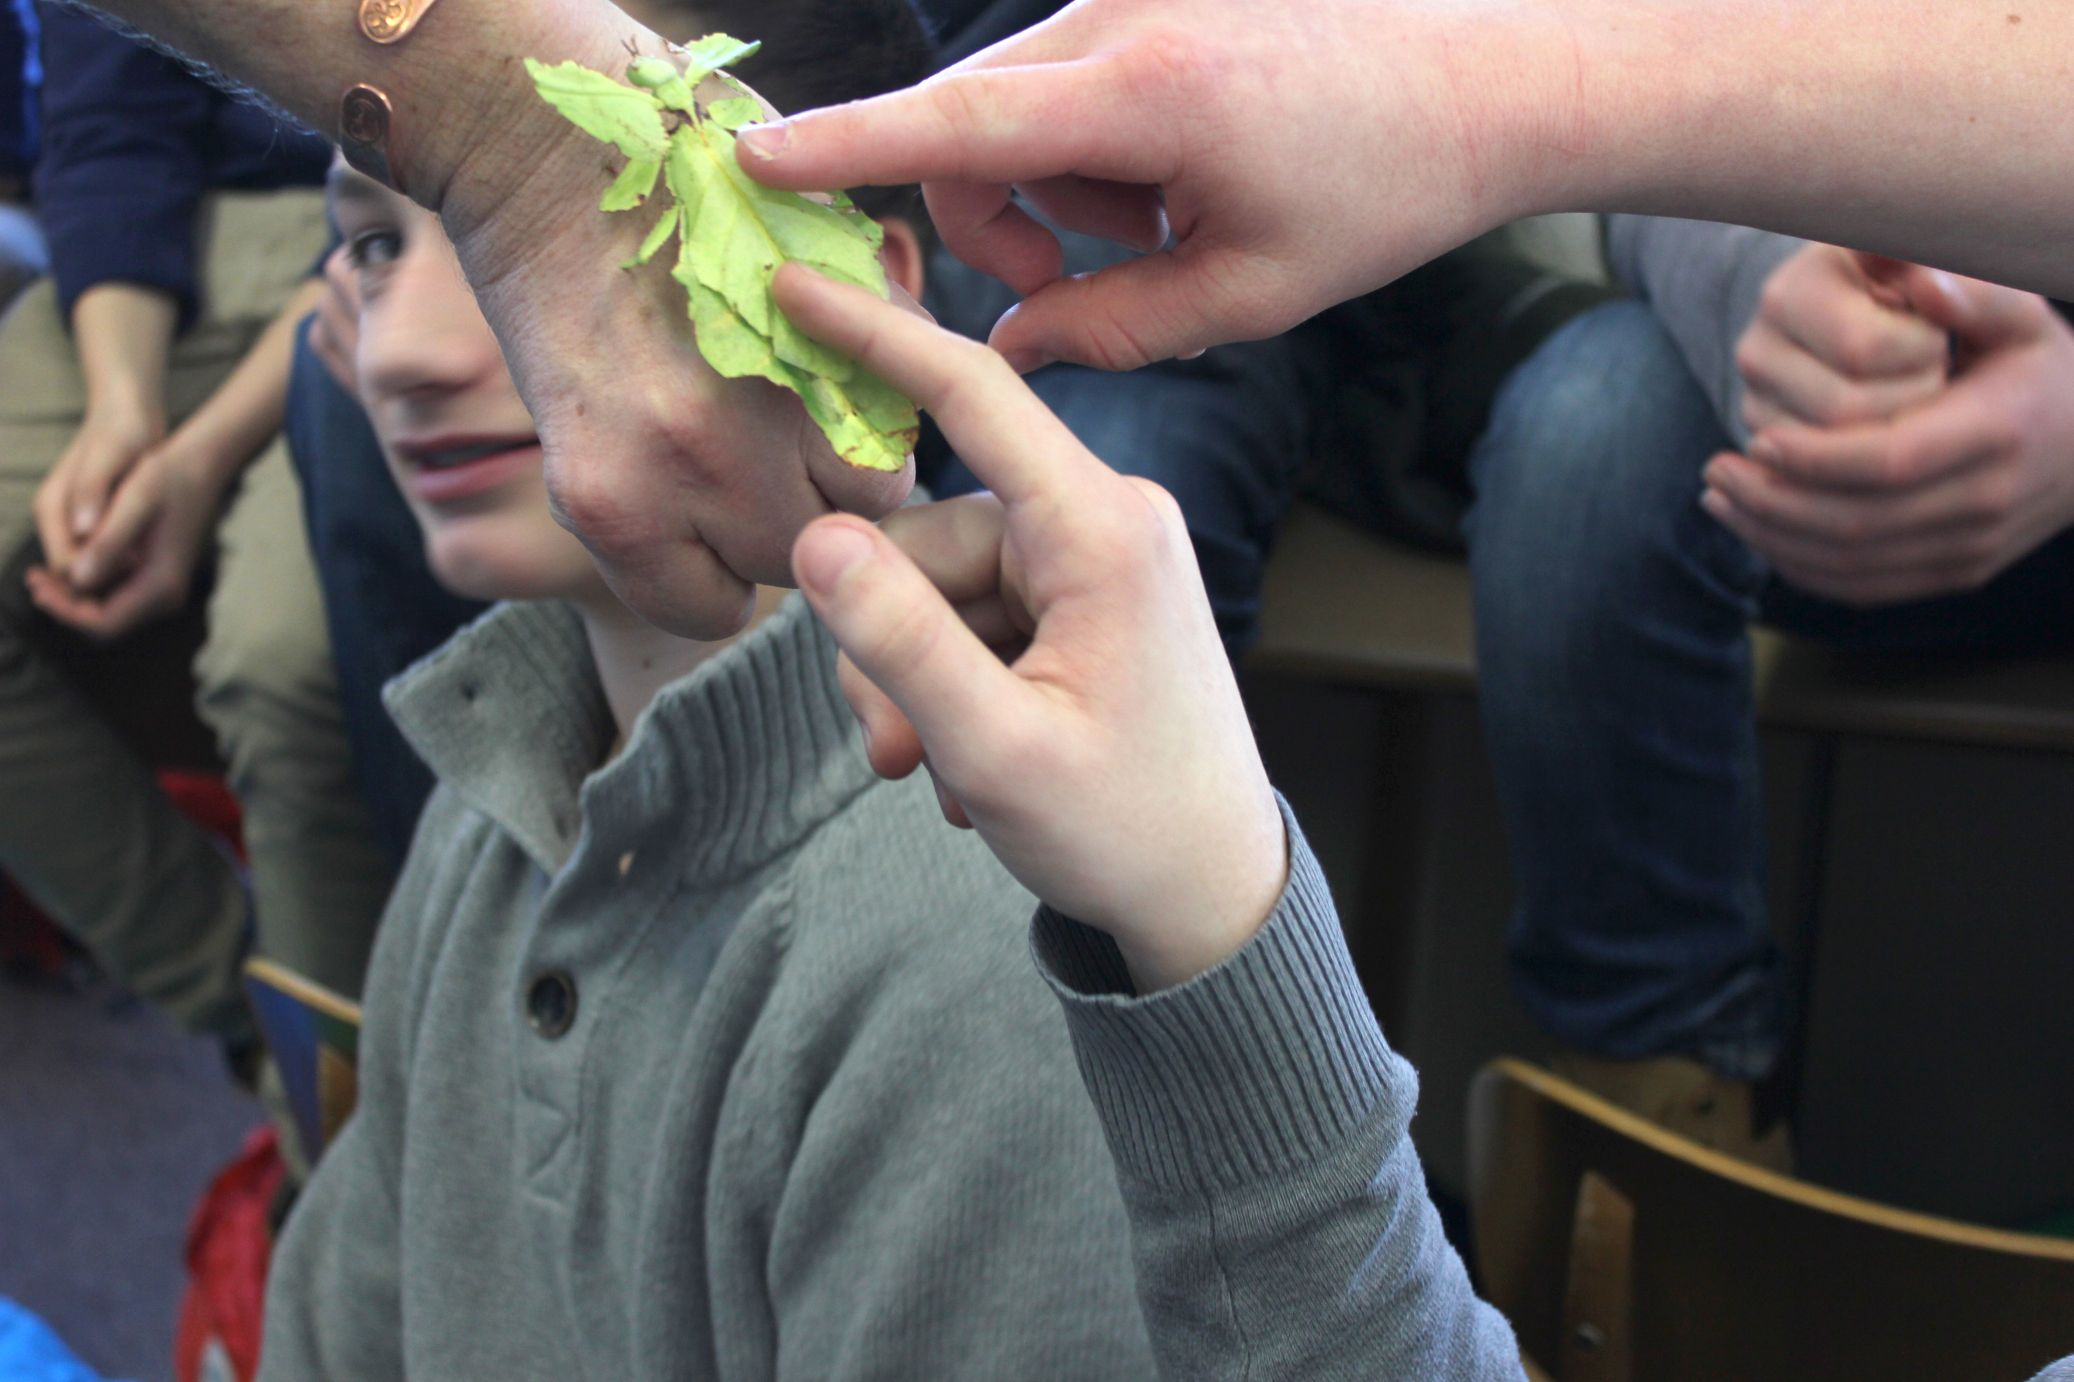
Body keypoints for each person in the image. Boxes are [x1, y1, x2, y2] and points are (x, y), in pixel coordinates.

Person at [260, 8, 1167, 1374]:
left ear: (861, 295)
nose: (401, 354)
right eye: (379, 247)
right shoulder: (489, 806)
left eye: (562, 223)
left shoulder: (972, 952)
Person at [1464, 225, 2074, 1162]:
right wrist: (1774, 297)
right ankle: (1660, 1157)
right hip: (1834, 396)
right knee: (1594, 423)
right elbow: (1642, 151)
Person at [0, 7, 387, 1041]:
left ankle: (336, 1072)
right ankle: (267, 1032)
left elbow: (428, 157)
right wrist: (122, 407)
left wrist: (197, 459)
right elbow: (108, 122)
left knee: (280, 661)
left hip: (390, 237)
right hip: (173, 236)